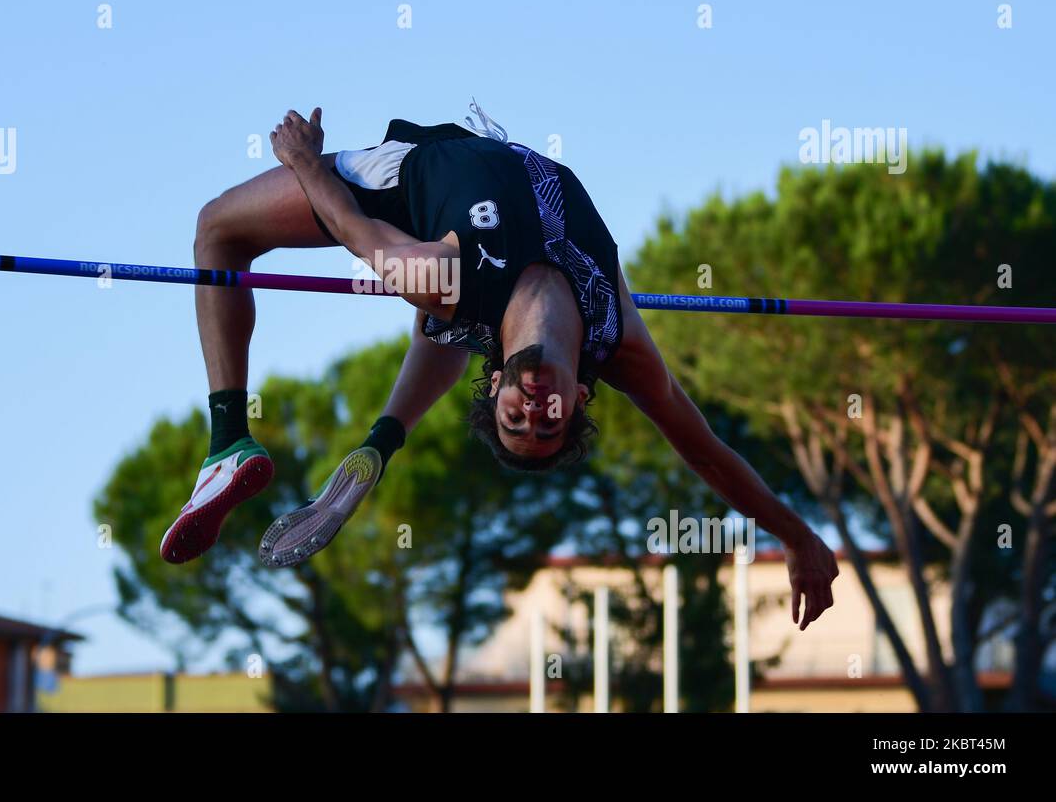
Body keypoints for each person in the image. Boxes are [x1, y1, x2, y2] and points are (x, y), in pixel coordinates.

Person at [162, 102, 839, 631]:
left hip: (406, 179)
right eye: (550, 426)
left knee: (217, 228)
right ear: (578, 401)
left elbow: (358, 233)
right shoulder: (614, 334)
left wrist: (308, 165)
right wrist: (798, 536)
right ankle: (382, 440)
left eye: (518, 424)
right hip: (483, 176)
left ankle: (227, 443)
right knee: (450, 326)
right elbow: (706, 451)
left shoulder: (441, 281)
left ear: (498, 390)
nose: (535, 414)